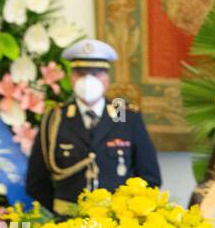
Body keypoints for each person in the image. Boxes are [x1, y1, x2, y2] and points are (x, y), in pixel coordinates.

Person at [25, 38, 162, 214]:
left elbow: (150, 177)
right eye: (81, 73)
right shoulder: (55, 118)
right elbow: (36, 181)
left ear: (107, 78)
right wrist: (62, 212)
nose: (88, 79)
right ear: (71, 78)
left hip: (117, 225)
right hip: (67, 225)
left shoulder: (125, 115)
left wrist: (128, 214)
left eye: (96, 73)